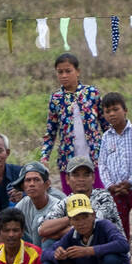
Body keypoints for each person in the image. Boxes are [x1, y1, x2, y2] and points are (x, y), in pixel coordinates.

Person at [41, 53, 109, 194]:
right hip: (68, 159)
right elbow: (51, 131)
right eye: (60, 72)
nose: (64, 75)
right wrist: (44, 156)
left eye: (68, 71)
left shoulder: (91, 93)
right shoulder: (56, 98)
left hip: (94, 157)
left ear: (77, 72)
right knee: (72, 202)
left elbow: (105, 124)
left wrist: (113, 151)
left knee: (98, 197)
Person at [97, 93, 132, 244]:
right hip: (116, 192)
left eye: (116, 109)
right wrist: (110, 185)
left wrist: (131, 182)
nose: (112, 114)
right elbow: (102, 164)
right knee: (119, 233)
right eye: (107, 111)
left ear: (125, 110)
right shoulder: (106, 137)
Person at [37, 156, 124, 244]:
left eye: (86, 175)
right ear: (67, 179)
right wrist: (71, 217)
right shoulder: (66, 202)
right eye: (76, 175)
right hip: (80, 250)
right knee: (48, 243)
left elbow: (90, 226)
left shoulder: (103, 197)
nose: (81, 179)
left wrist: (57, 234)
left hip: (110, 248)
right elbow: (42, 229)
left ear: (93, 178)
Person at [15, 162, 66, 247]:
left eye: (36, 180)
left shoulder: (57, 205)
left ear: (47, 185)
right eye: (28, 180)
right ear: (23, 186)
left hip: (53, 251)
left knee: (43, 233)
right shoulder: (23, 204)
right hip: (32, 249)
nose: (31, 184)